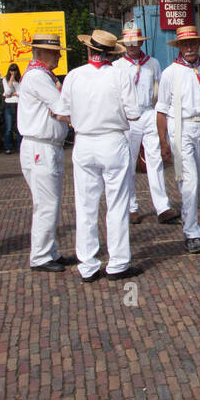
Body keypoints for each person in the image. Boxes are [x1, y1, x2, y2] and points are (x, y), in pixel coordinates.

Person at [57, 29, 141, 282]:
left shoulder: (74, 76)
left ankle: (88, 265)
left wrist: (82, 118)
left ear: (89, 49)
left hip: (84, 141)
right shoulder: (120, 74)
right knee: (116, 204)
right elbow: (134, 113)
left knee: (85, 205)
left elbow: (62, 113)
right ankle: (117, 263)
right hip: (112, 139)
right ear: (110, 52)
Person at [156, 25, 200, 253]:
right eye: (185, 44)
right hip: (181, 127)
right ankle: (192, 233)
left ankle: (188, 215)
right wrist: (163, 142)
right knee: (189, 181)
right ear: (179, 47)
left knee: (199, 179)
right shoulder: (170, 73)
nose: (190, 47)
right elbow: (161, 110)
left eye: (193, 43)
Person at [18, 34, 75, 273]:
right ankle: (41, 256)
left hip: (45, 145)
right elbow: (62, 107)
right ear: (41, 53)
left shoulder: (40, 75)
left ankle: (49, 251)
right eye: (55, 52)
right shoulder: (38, 77)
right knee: (46, 203)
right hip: (40, 145)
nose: (59, 56)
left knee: (49, 202)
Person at [116, 27, 175, 225]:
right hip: (128, 117)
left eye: (136, 42)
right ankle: (131, 206)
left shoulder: (153, 63)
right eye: (129, 43)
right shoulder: (117, 66)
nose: (132, 46)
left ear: (142, 42)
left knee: (155, 160)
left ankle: (162, 206)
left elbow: (160, 90)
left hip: (149, 112)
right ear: (124, 44)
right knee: (128, 162)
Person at [2, 63, 22, 153]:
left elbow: (21, 92)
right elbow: (7, 92)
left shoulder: (20, 80)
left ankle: (19, 146)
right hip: (9, 104)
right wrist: (10, 81)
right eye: (11, 71)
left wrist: (15, 83)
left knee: (19, 126)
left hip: (18, 103)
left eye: (14, 71)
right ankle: (8, 147)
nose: (12, 72)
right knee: (9, 127)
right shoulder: (5, 79)